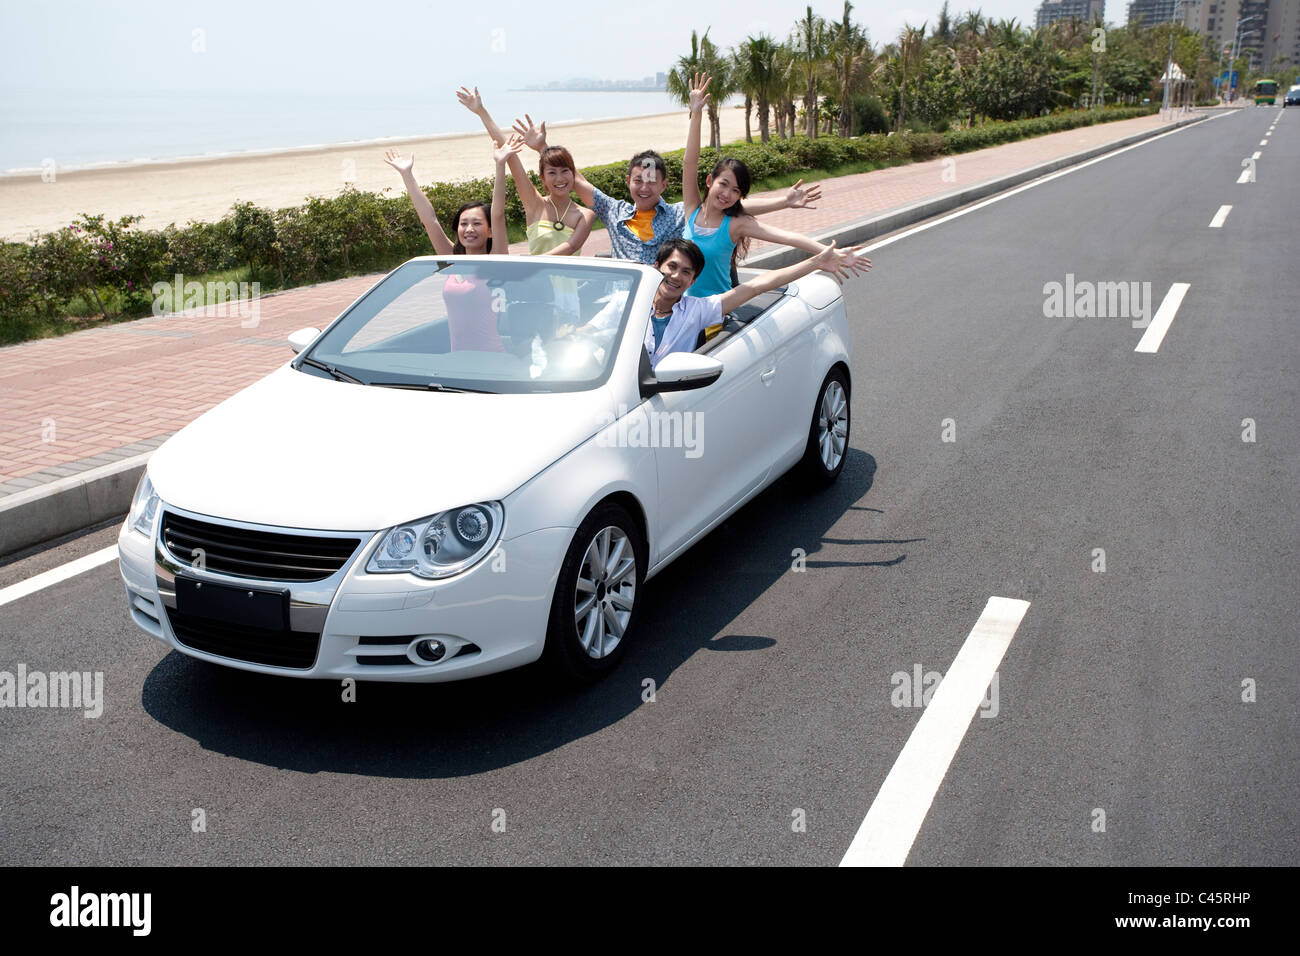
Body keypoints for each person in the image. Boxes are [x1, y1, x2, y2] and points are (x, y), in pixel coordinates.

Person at [513, 73, 823, 264]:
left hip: (665, 302)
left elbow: (728, 205)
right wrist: (543, 149)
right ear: (628, 181)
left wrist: (784, 201)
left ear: (663, 185)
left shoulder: (678, 214)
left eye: (651, 181)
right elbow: (571, 178)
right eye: (638, 180)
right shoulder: (613, 210)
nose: (644, 187)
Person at [578, 237, 871, 370]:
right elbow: (586, 334)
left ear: (692, 281)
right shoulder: (624, 303)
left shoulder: (697, 310)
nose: (676, 276)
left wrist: (817, 262)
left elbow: (757, 286)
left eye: (686, 272)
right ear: (657, 266)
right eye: (671, 266)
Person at [383, 140, 521, 351]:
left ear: (490, 230)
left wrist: (500, 165)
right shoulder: (453, 260)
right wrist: (407, 175)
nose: (469, 229)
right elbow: (430, 220)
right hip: (457, 357)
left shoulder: (496, 260)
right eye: (463, 224)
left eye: (477, 224)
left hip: (491, 357)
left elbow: (498, 214)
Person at [456, 86, 595, 256]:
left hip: (562, 281)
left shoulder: (585, 215)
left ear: (573, 175)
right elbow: (512, 158)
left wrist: (530, 264)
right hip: (535, 281)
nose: (560, 179)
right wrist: (481, 112)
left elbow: (571, 247)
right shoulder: (535, 204)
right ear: (542, 178)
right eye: (552, 173)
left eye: (565, 171)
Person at [683, 155, 844, 297]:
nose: (726, 194)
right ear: (710, 181)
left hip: (715, 312)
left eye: (735, 190)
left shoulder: (736, 224)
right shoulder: (692, 210)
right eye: (723, 184)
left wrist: (831, 252)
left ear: (740, 196)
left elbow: (787, 237)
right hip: (681, 310)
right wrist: (696, 118)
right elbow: (689, 163)